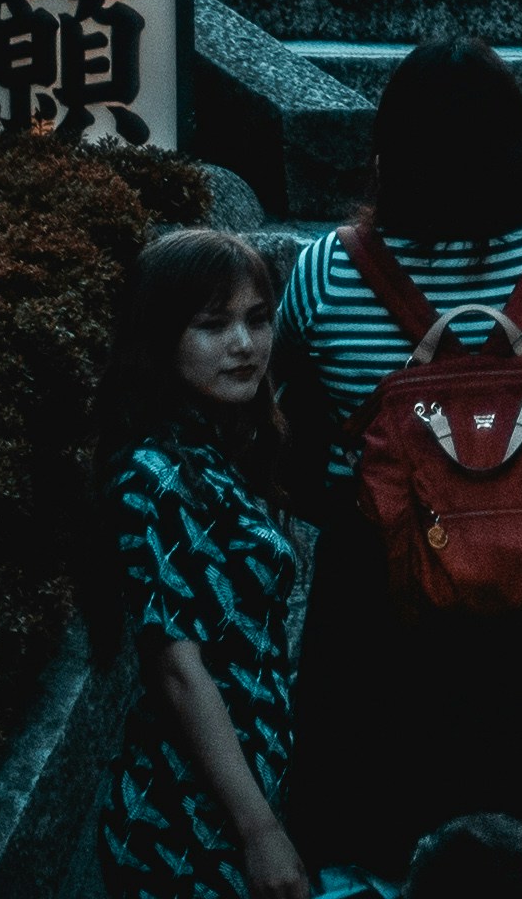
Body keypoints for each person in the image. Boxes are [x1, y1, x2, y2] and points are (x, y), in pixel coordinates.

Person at [279, 41, 522, 883]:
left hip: (383, 604)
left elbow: (292, 392)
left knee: (388, 847)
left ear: (387, 150)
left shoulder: (328, 272)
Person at [98, 225, 316, 899]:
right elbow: (177, 668)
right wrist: (258, 830)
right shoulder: (152, 474)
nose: (245, 345)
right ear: (161, 338)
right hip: (183, 818)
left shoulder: (217, 453)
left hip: (234, 795)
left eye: (257, 320)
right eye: (212, 325)